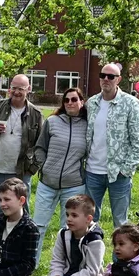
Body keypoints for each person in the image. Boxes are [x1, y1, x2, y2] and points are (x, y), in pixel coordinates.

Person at [85, 62, 139, 226]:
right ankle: (92, 252)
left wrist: (126, 169)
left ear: (118, 79)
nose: (106, 79)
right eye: (102, 75)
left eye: (111, 76)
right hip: (92, 172)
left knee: (120, 224)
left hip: (118, 174)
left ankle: (119, 253)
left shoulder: (131, 103)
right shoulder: (91, 103)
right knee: (89, 221)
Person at [32, 87, 88, 261]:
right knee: (38, 225)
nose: (70, 103)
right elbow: (40, 147)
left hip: (74, 185)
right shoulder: (53, 121)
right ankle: (30, 264)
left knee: (69, 228)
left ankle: (65, 267)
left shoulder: (88, 126)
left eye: (74, 99)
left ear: (82, 102)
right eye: (67, 100)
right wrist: (43, 166)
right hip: (47, 183)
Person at [0, 73, 43, 212]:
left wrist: (32, 169)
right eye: (14, 88)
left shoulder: (35, 114)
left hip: (21, 171)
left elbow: (41, 145)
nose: (17, 92)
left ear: (28, 89)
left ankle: (20, 234)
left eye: (21, 88)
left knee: (21, 209)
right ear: (9, 88)